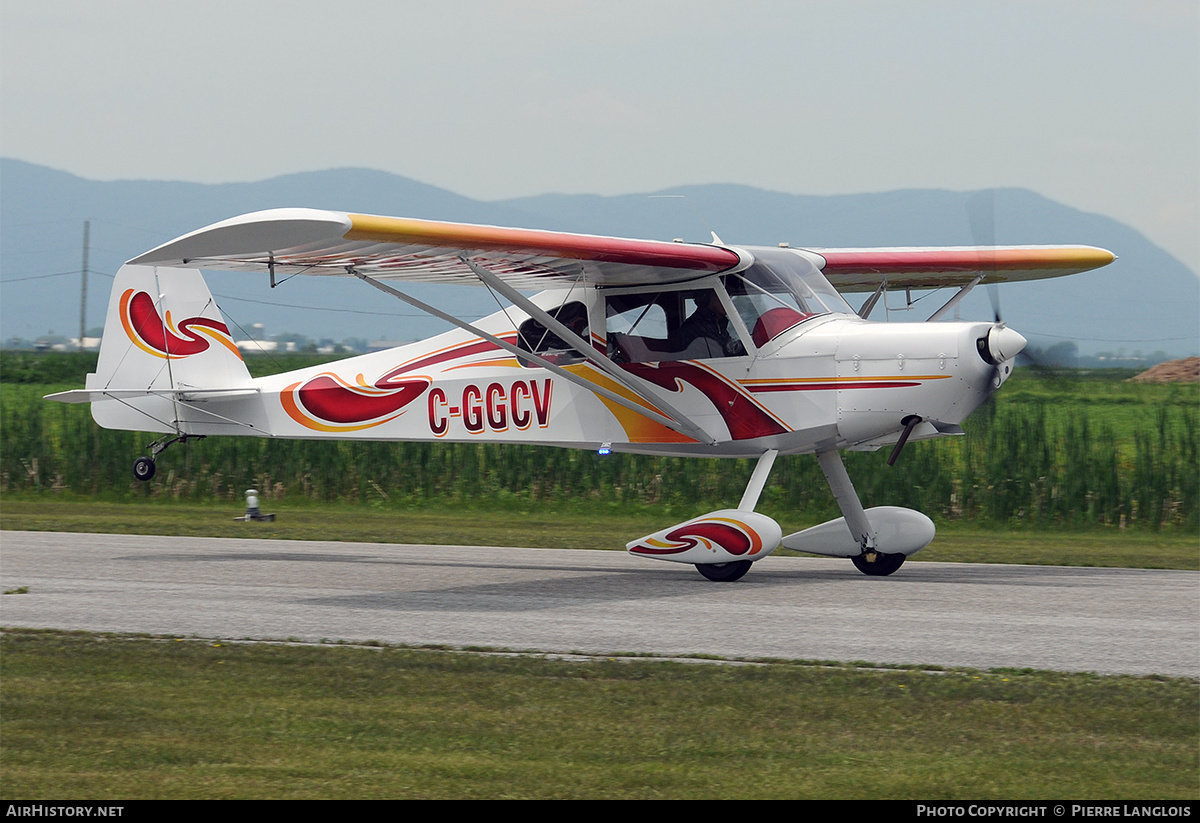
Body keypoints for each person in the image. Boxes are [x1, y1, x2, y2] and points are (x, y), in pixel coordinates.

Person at [671, 290, 745, 357]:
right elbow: (721, 351)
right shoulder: (694, 326)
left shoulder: (719, 324)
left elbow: (729, 347)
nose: (727, 301)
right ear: (705, 298)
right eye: (720, 295)